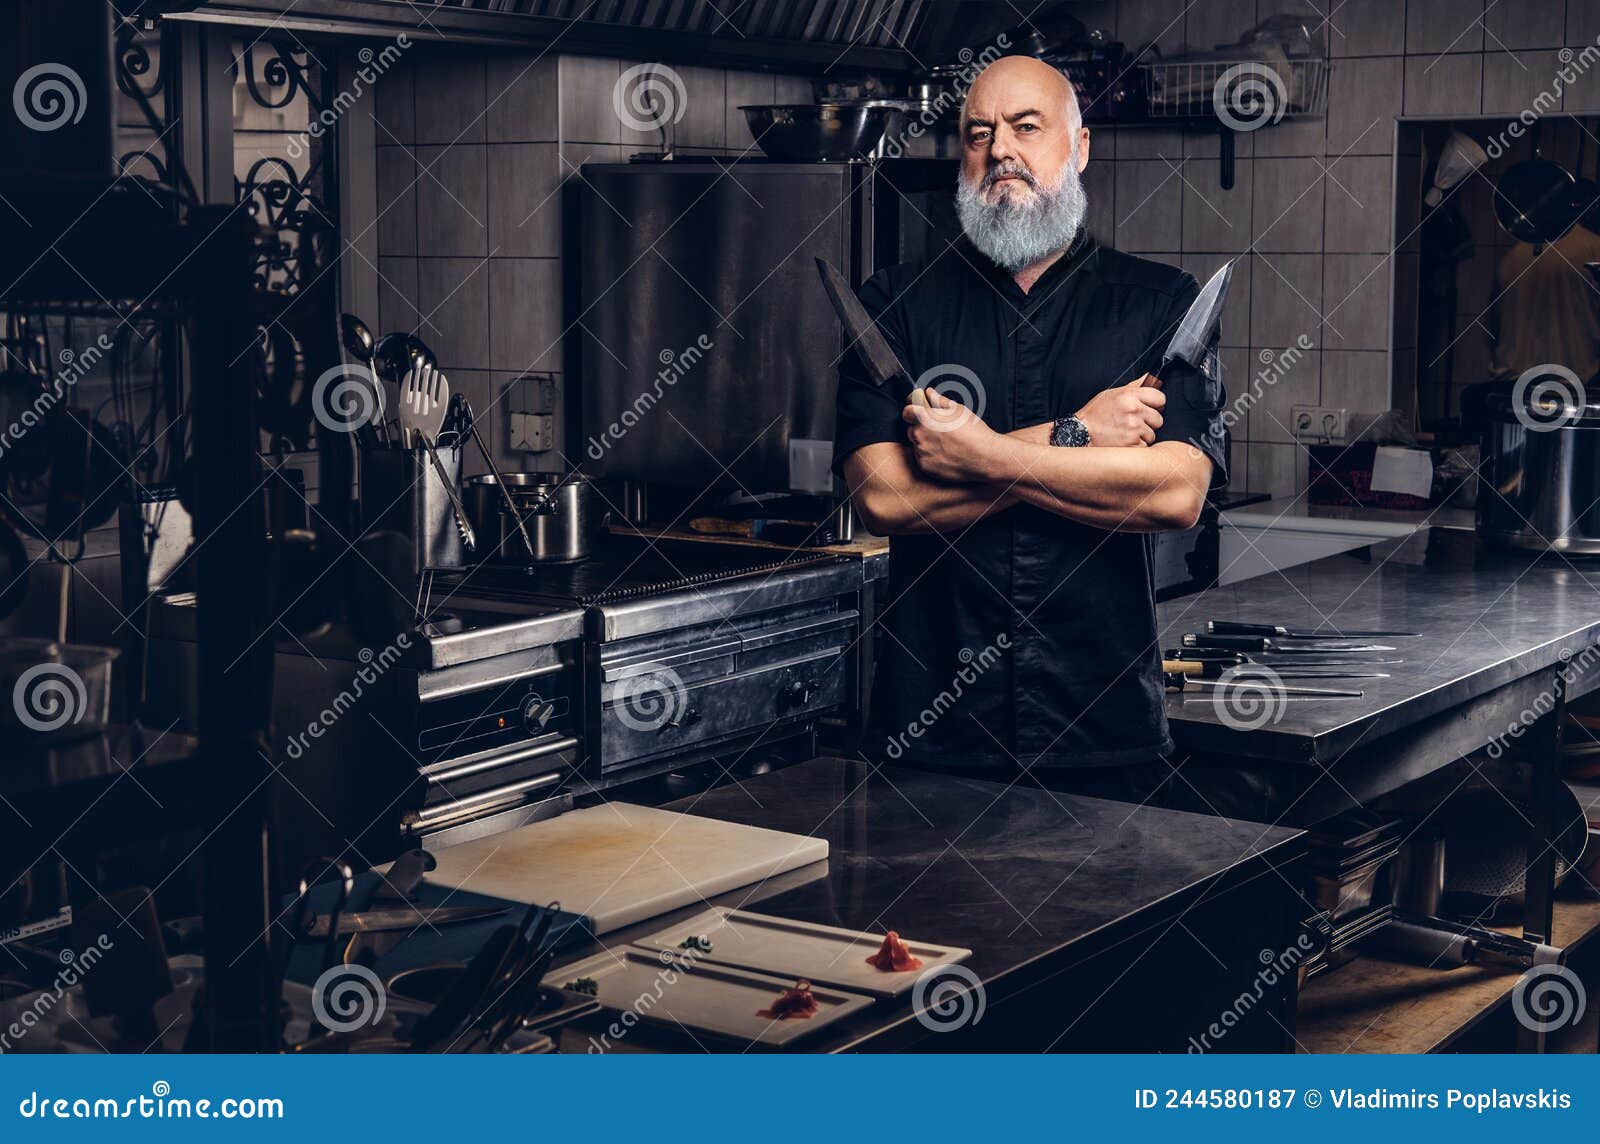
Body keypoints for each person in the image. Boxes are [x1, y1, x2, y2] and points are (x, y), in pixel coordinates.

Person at [833, 55, 1228, 803]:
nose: (1000, 150)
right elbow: (883, 500)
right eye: (977, 133)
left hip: (1104, 726)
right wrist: (1075, 436)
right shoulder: (894, 306)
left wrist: (975, 455)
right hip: (930, 730)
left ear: (1079, 148)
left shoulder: (1160, 305)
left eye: (1025, 126)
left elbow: (1175, 494)